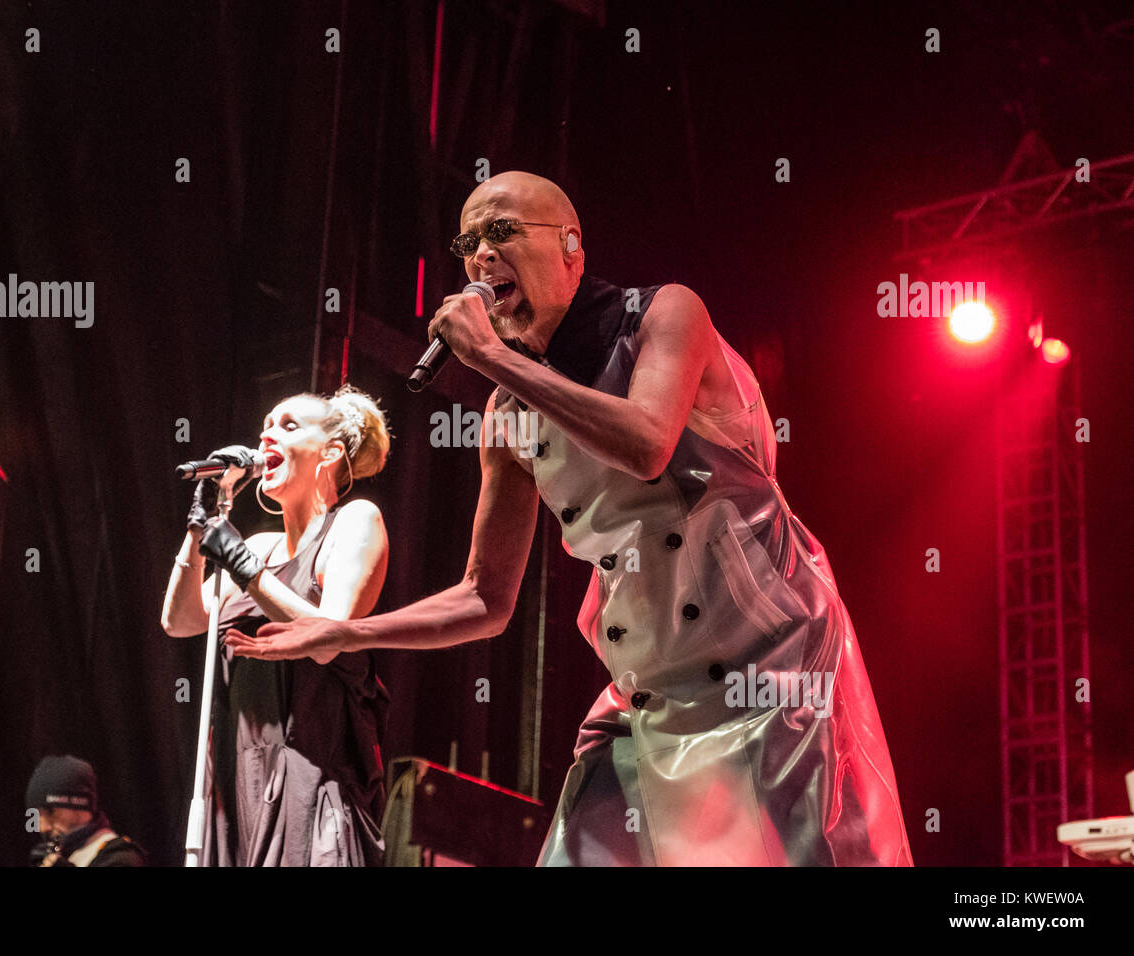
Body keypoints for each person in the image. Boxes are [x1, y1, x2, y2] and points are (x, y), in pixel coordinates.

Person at [231, 171, 913, 866]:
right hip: (649, 689)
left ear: (571, 248)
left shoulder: (665, 315)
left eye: (501, 232)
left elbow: (647, 445)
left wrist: (494, 360)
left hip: (771, 662)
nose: (480, 257)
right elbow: (485, 598)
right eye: (468, 242)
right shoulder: (509, 417)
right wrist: (346, 631)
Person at [161, 384, 392, 866]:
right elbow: (179, 621)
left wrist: (244, 567)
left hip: (308, 779)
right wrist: (197, 528)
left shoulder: (355, 522)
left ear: (330, 452)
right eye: (264, 427)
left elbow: (330, 640)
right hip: (236, 779)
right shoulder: (262, 546)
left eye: (287, 426)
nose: (266, 437)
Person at [25, 754, 147, 866]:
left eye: (51, 812)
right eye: (38, 815)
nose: (43, 827)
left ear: (78, 803)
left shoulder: (122, 858)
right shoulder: (53, 854)